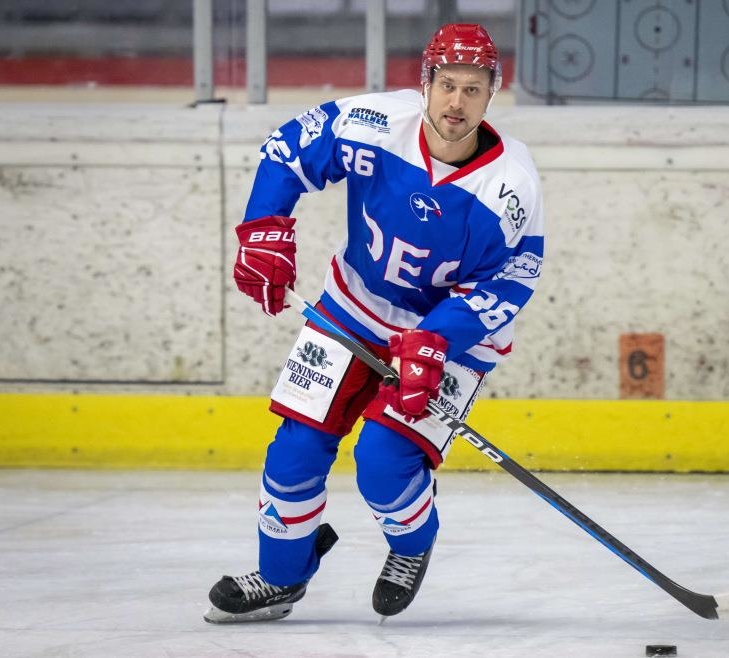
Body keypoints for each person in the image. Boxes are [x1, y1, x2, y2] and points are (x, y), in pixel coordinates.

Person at [203, 23, 544, 624]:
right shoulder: (374, 124)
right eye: (446, 85)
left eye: (473, 89)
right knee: (295, 453)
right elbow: (286, 150)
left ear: (493, 94)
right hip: (349, 310)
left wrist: (436, 340)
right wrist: (263, 230)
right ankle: (282, 578)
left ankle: (412, 546)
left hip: (445, 338)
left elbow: (509, 281)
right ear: (425, 84)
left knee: (384, 463)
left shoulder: (511, 184)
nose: (456, 103)